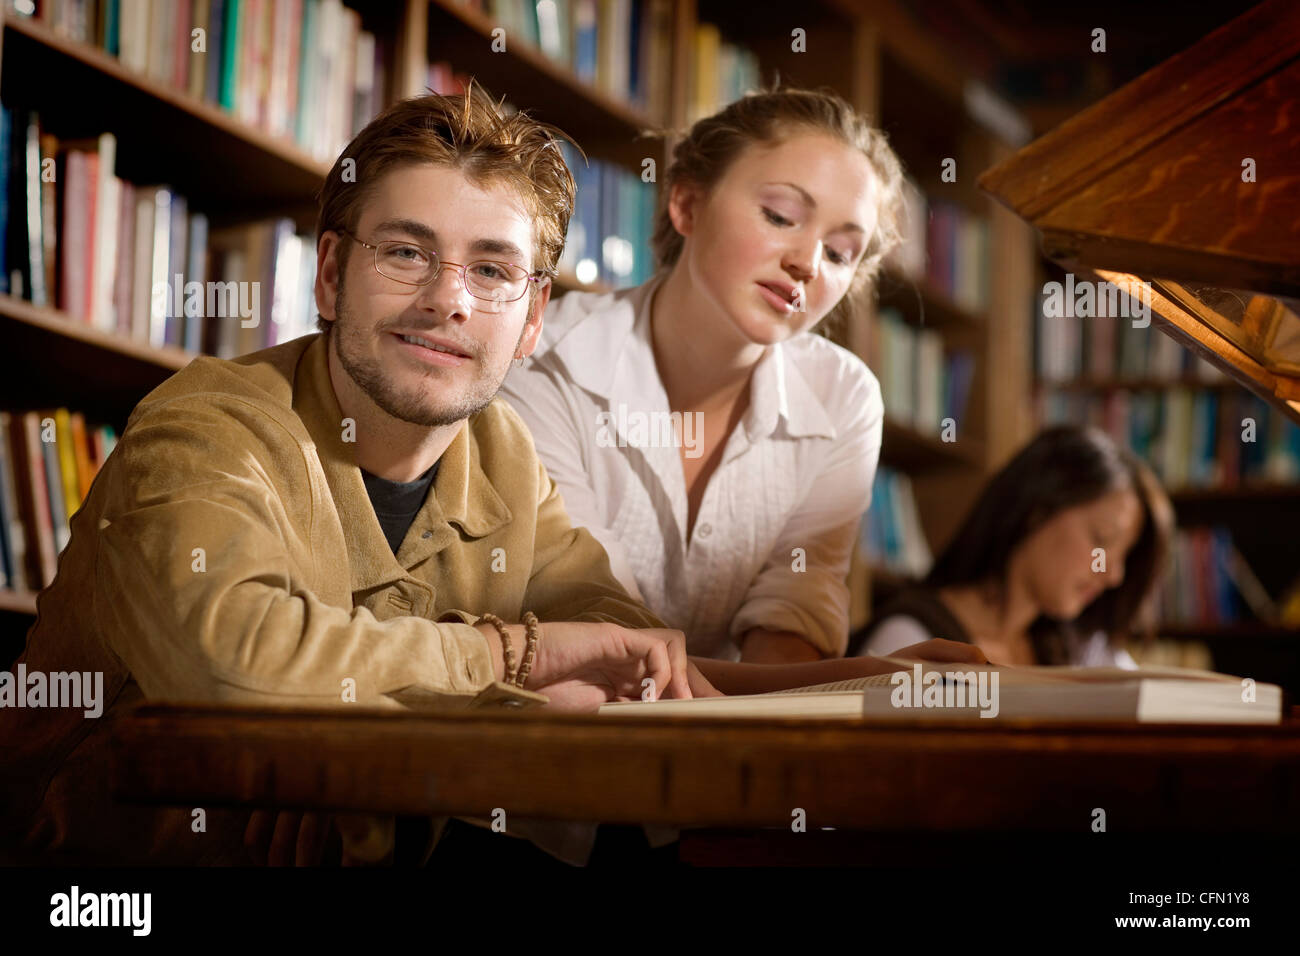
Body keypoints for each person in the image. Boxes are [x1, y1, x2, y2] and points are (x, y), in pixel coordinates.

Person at [0, 88, 700, 867]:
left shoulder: (501, 450)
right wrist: (513, 659)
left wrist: (353, 745)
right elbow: (237, 673)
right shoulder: (203, 427)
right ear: (330, 272)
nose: (447, 301)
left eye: (493, 270)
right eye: (406, 253)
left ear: (534, 316)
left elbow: (628, 657)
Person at [499, 87, 904, 669]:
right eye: (780, 216)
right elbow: (604, 641)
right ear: (686, 204)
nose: (808, 264)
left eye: (841, 253)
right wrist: (865, 677)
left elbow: (792, 619)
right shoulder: (543, 358)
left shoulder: (845, 398)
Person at [853, 425, 1176, 667]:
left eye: (1125, 556)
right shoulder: (910, 640)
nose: (1113, 575)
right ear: (1037, 510)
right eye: (1102, 541)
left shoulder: (1083, 651)